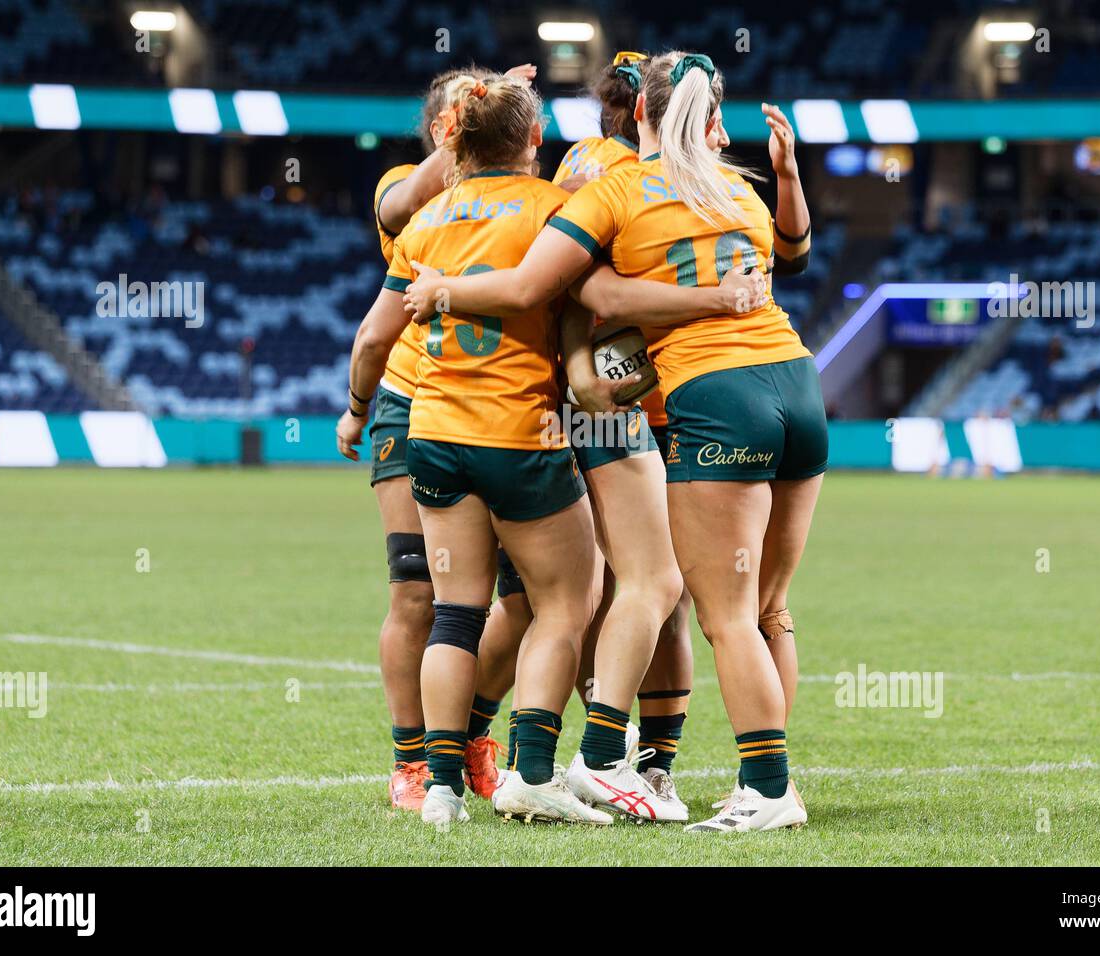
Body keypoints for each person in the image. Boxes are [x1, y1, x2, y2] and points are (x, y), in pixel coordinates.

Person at [402, 52, 828, 833]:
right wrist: (785, 180)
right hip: (796, 387)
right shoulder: (737, 186)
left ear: (635, 112)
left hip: (676, 404)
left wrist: (448, 298)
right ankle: (666, 767)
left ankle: (627, 764)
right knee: (758, 609)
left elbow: (572, 292)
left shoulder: (603, 184)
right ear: (709, 120)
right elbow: (792, 256)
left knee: (647, 595)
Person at [346, 64, 538, 813]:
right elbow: (397, 206)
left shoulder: (527, 192)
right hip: (411, 399)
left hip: (509, 408)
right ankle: (411, 763)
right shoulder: (410, 187)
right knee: (418, 592)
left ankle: (467, 738)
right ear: (442, 127)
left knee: (525, 598)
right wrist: (463, 129)